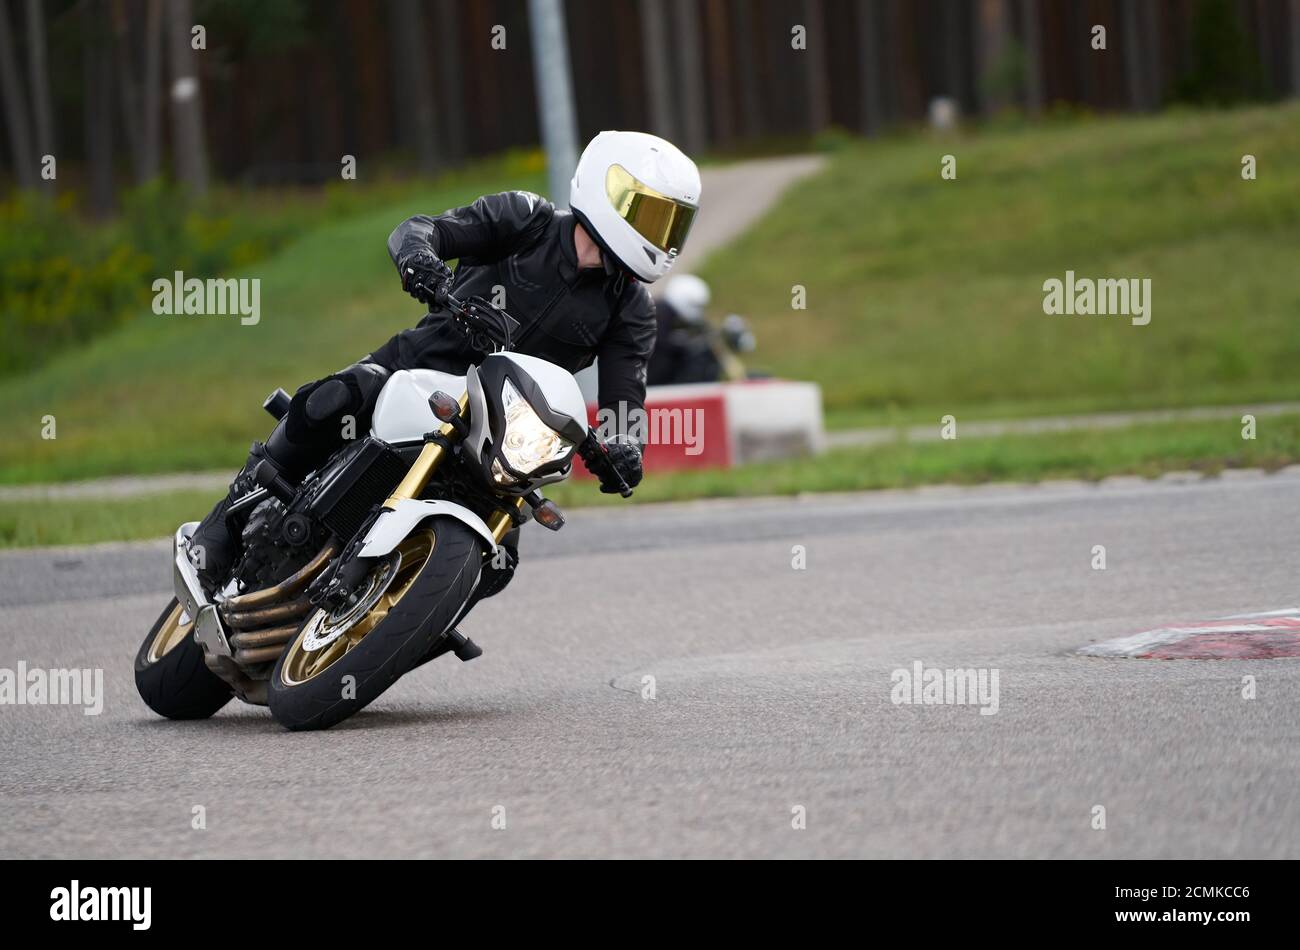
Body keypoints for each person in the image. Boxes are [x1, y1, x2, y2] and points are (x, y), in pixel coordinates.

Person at [190, 130, 702, 594]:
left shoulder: (632, 308)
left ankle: (393, 630)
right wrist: (421, 262)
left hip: (498, 431)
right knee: (332, 401)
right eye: (652, 215)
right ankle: (227, 518)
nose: (661, 235)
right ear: (606, 190)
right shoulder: (527, 219)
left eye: (671, 224)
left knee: (497, 564)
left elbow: (624, 394)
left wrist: (624, 444)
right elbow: (422, 229)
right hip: (415, 370)